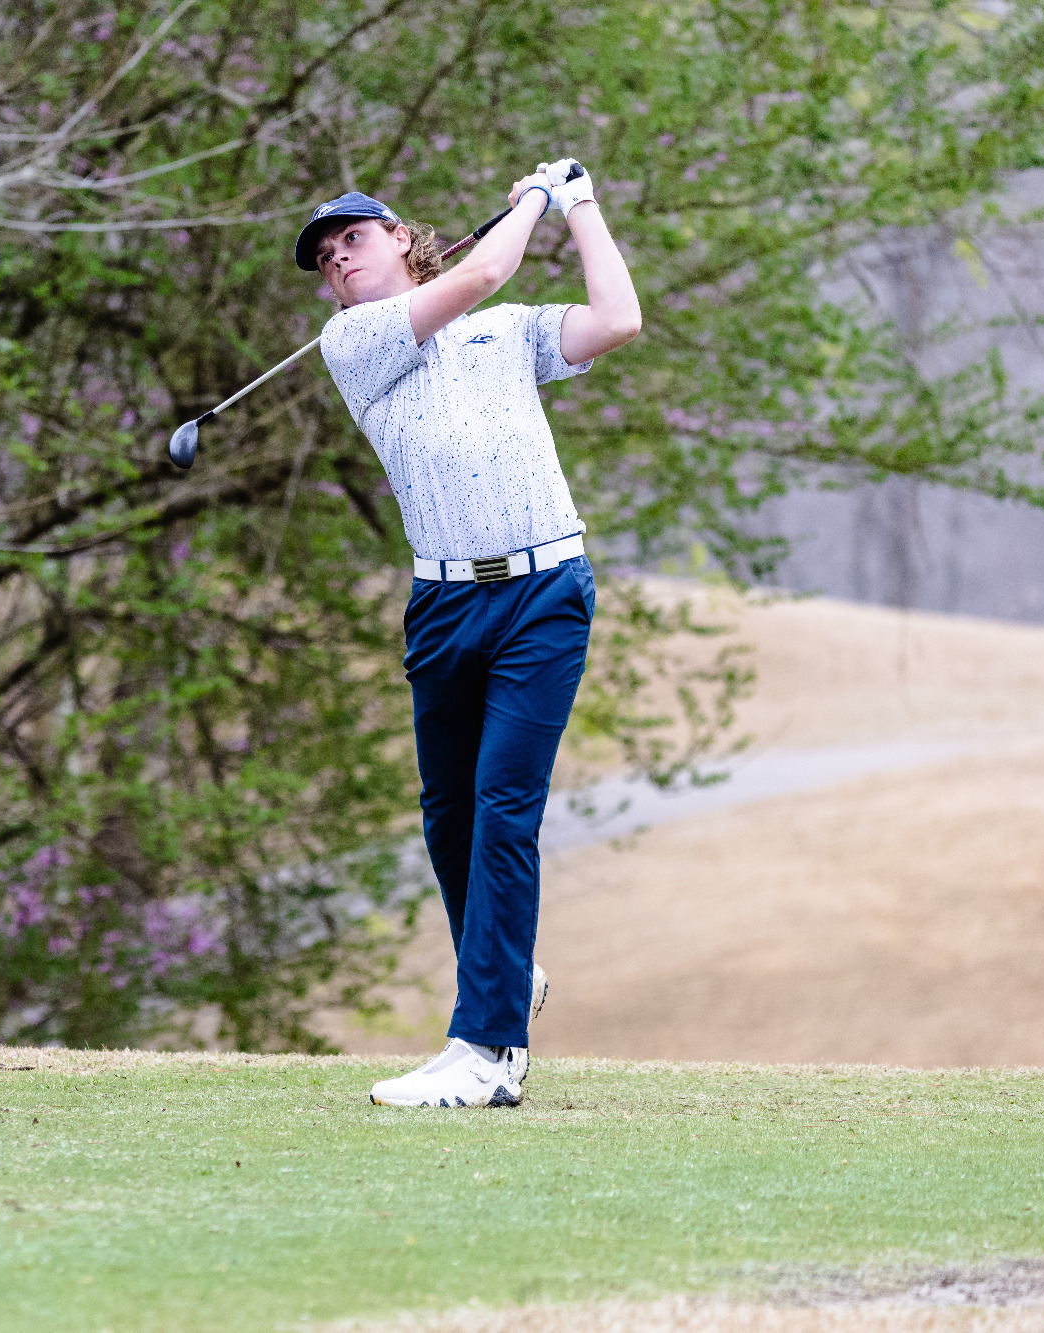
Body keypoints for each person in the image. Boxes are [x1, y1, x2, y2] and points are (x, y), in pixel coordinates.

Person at [300, 160, 641, 1108]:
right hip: (443, 603)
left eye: (352, 240)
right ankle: (506, 973)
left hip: (543, 593)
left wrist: (580, 205)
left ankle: (489, 1053)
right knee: (449, 816)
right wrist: (534, 197)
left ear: (400, 238)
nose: (338, 262)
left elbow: (617, 319)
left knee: (502, 807)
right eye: (326, 259)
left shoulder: (508, 330)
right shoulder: (352, 341)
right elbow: (482, 271)